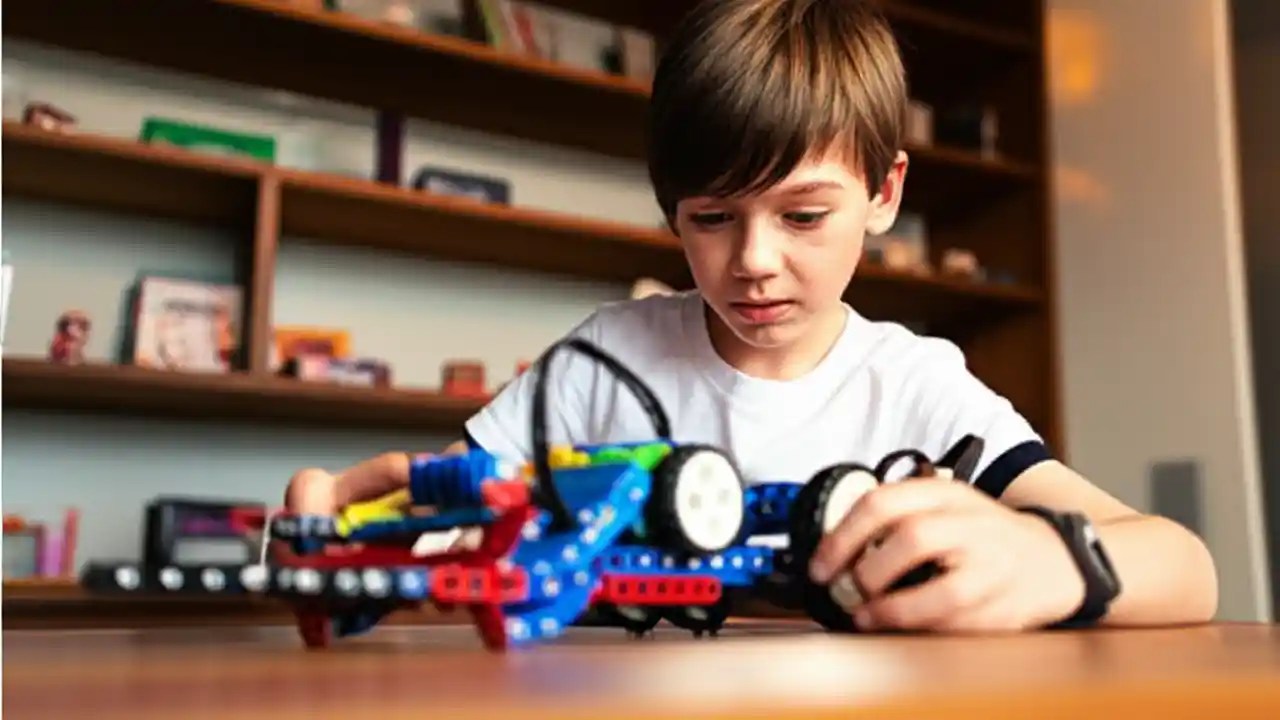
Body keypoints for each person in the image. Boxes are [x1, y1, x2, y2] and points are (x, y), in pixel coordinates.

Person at [285, 0, 1218, 632]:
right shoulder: (603, 361)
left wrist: (1050, 563)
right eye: (713, 218)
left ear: (885, 191)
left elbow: (1187, 569)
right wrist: (346, 519)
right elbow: (441, 510)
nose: (755, 262)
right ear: (670, 211)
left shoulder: (917, 384)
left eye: (805, 216)